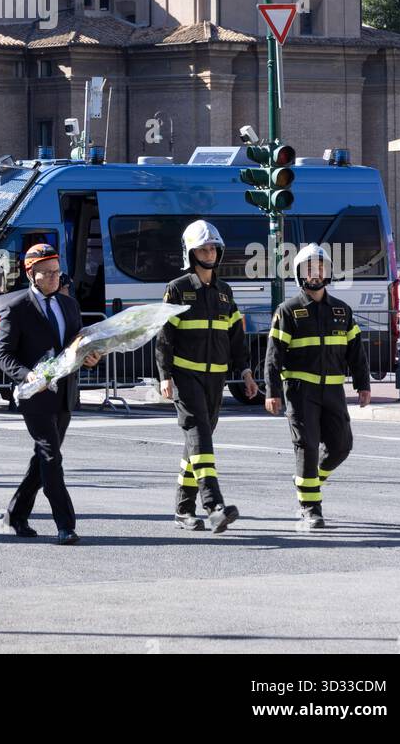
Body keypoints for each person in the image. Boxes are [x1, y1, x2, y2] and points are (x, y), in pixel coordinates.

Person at [0, 243, 101, 544]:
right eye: (48, 273)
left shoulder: (69, 305)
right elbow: (2, 355)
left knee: (42, 459)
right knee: (52, 457)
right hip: (36, 396)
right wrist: (28, 374)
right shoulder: (16, 308)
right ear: (31, 273)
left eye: (57, 272)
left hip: (65, 394)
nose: (55, 278)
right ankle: (65, 524)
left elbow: (77, 348)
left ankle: (15, 515)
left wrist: (92, 358)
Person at [156, 220, 257, 533]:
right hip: (186, 378)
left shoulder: (225, 292)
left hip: (216, 381)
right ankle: (214, 506)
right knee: (200, 438)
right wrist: (165, 375)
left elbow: (236, 339)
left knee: (195, 446)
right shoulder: (177, 289)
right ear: (191, 252)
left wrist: (246, 371)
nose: (209, 252)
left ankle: (183, 510)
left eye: (213, 247)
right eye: (203, 247)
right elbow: (164, 336)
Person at [265, 243, 371, 532]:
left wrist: (363, 385)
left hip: (333, 392)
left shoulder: (341, 310)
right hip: (300, 392)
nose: (316, 273)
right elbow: (274, 356)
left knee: (341, 446)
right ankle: (310, 508)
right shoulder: (288, 311)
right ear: (301, 274)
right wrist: (272, 392)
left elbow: (356, 353)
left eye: (321, 267)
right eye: (310, 268)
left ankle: (307, 480)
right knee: (307, 446)